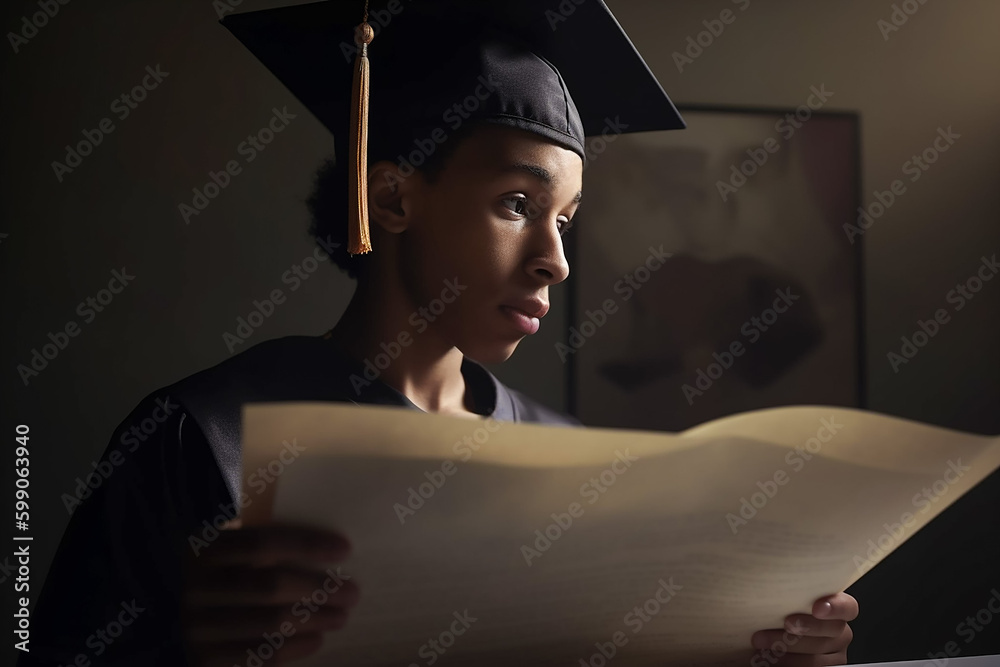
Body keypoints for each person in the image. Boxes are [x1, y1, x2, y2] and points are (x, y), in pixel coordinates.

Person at [23, 1, 858, 665]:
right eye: (518, 205)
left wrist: (766, 652)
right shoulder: (199, 440)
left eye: (566, 219)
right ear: (390, 199)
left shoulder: (571, 460)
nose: (556, 260)